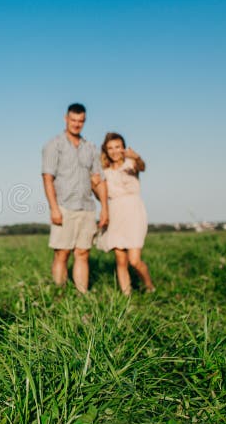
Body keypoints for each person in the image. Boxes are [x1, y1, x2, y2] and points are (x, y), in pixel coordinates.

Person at [41, 103, 108, 293]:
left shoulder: (91, 148)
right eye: (73, 120)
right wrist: (54, 208)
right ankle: (59, 294)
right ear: (66, 119)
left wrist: (105, 208)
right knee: (62, 253)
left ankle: (82, 295)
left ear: (84, 121)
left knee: (83, 253)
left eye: (81, 121)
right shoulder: (54, 145)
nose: (77, 124)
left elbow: (98, 180)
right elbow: (47, 178)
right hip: (64, 206)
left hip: (86, 207)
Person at [97, 132, 156, 295]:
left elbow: (142, 166)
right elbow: (98, 190)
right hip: (115, 211)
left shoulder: (131, 163)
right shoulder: (104, 171)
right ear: (106, 150)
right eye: (110, 148)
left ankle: (150, 287)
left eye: (117, 147)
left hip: (133, 211)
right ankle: (126, 295)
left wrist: (136, 156)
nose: (114, 151)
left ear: (123, 148)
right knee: (120, 259)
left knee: (134, 260)